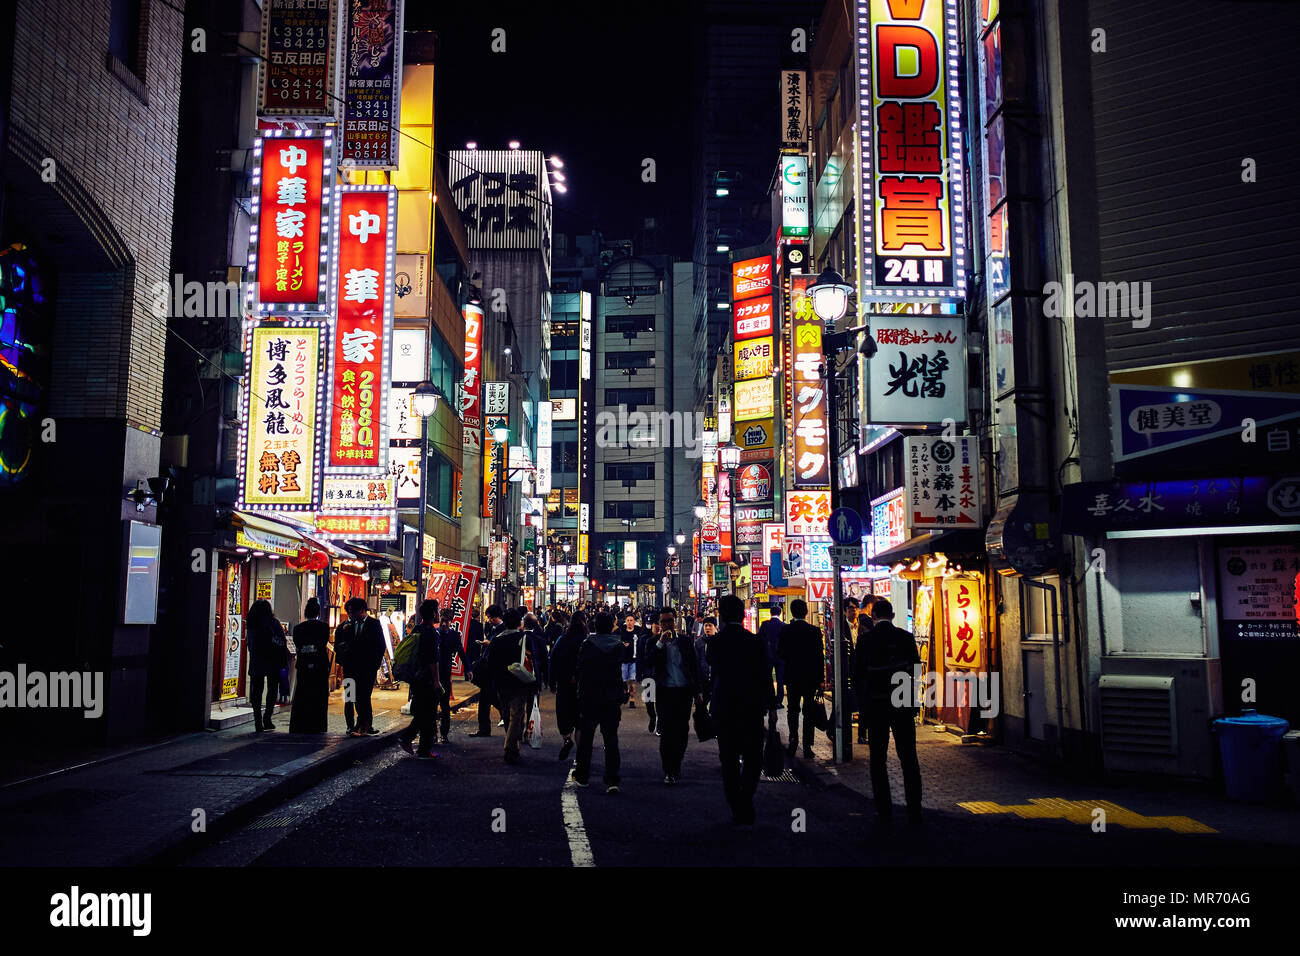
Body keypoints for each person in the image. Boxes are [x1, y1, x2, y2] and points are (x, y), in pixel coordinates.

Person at [708, 594, 776, 824]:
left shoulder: (715, 643)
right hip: (752, 706)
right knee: (753, 757)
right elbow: (766, 675)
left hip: (725, 706)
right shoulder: (756, 642)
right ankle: (745, 797)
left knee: (728, 758)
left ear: (722, 615)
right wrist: (772, 704)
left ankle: (736, 802)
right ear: (742, 614)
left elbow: (713, 670)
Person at [861, 599, 923, 825]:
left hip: (876, 706)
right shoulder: (906, 638)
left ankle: (884, 811)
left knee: (877, 760)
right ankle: (914, 811)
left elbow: (858, 676)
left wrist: (863, 706)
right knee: (909, 759)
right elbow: (916, 670)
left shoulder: (866, 640)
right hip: (903, 705)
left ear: (874, 616)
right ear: (893, 615)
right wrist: (914, 700)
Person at [644, 606, 700, 784]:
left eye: (669, 620)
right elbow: (648, 663)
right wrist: (660, 643)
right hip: (664, 691)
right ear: (659, 624)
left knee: (682, 730)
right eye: (663, 621)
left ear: (675, 622)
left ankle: (676, 765)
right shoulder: (653, 642)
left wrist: (698, 692)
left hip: (683, 691)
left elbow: (693, 666)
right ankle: (669, 770)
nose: (667, 624)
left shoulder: (685, 642)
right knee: (667, 732)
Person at [572, 611, 627, 793]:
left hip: (590, 696)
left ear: (595, 626)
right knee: (611, 738)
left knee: (586, 737)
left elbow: (579, 668)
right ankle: (612, 780)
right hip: (611, 697)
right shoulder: (618, 645)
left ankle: (582, 775)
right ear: (612, 625)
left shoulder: (587, 645)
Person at [777, 599, 824, 759]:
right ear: (805, 612)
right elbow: (820, 656)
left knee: (793, 709)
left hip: (792, 676)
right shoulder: (814, 631)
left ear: (792, 612)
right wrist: (821, 679)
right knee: (809, 710)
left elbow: (781, 653)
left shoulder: (786, 631)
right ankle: (807, 745)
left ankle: (793, 739)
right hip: (810, 676)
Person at [397, 600, 443, 759]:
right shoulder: (431, 633)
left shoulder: (417, 629)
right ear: (434, 613)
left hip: (415, 677)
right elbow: (432, 658)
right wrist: (436, 680)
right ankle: (414, 742)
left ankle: (421, 747)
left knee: (424, 712)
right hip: (426, 678)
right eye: (438, 611)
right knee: (428, 713)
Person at [488, 608, 534, 764]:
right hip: (519, 681)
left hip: (501, 682)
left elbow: (490, 663)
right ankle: (510, 747)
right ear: (518, 622)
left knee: (507, 714)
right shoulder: (524, 638)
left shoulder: (496, 639)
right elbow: (531, 660)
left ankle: (513, 746)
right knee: (516, 715)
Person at [338, 597, 386, 736]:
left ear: (361, 610)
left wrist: (374, 666)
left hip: (367, 669)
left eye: (352, 612)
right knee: (349, 697)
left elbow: (380, 646)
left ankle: (365, 725)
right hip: (349, 668)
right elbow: (339, 645)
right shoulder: (345, 626)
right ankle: (350, 725)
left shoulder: (374, 624)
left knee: (364, 697)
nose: (350, 615)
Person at [289, 598, 331, 733]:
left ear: (305, 612)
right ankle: (318, 725)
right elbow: (323, 643)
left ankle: (299, 725)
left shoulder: (298, 629)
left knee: (302, 695)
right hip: (320, 666)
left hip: (303, 665)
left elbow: (298, 645)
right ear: (318, 612)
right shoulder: (324, 627)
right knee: (319, 697)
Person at [550, 611, 586, 761]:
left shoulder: (562, 639)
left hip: (564, 683)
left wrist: (552, 682)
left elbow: (553, 660)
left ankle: (566, 739)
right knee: (580, 719)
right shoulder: (586, 640)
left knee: (564, 714)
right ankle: (580, 753)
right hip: (582, 685)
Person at [246, 599, 287, 732]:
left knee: (256, 691)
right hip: (272, 661)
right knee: (272, 689)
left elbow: (249, 643)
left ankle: (258, 720)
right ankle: (267, 718)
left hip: (257, 660)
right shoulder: (273, 623)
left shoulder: (252, 624)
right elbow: (282, 641)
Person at [469, 605, 505, 736]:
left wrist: (490, 644)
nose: (489, 620)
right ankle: (487, 726)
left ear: (497, 616)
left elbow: (501, 648)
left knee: (488, 697)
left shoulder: (503, 629)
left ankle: (487, 727)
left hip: (494, 669)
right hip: (487, 667)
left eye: (490, 617)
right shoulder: (492, 628)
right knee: (488, 697)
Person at [434, 608, 461, 745]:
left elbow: (461, 651)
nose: (444, 624)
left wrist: (468, 669)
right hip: (432, 675)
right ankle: (432, 733)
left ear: (451, 622)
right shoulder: (434, 633)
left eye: (446, 621)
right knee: (432, 705)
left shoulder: (454, 635)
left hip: (445, 674)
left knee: (445, 705)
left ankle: (444, 734)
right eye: (442, 621)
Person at [853, 601, 878, 745]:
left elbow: (858, 663)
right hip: (888, 688)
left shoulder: (863, 639)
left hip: (865, 682)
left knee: (865, 710)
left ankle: (863, 735)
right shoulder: (904, 636)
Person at [757, 606, 786, 709]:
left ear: (770, 613)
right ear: (780, 613)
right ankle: (779, 701)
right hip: (780, 657)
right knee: (780, 680)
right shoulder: (783, 625)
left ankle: (768, 700)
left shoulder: (765, 624)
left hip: (767, 656)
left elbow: (759, 639)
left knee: (767, 679)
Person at [634, 617, 659, 733]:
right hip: (648, 673)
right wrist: (638, 673)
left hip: (662, 674)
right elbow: (639, 657)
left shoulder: (668, 638)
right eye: (656, 623)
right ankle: (652, 717)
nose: (658, 626)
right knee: (649, 700)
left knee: (660, 700)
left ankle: (660, 723)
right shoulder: (644, 639)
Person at [619, 613, 642, 711]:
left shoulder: (638, 631)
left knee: (632, 680)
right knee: (623, 680)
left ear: (634, 621)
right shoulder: (622, 631)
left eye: (631, 620)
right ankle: (626, 691)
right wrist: (623, 644)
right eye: (627, 620)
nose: (629, 622)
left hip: (634, 660)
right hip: (623, 660)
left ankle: (632, 699)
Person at [694, 617, 714, 706]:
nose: (707, 628)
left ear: (715, 627)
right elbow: (696, 663)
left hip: (716, 680)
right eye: (706, 626)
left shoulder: (720, 641)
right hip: (703, 680)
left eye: (710, 625)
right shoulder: (698, 642)